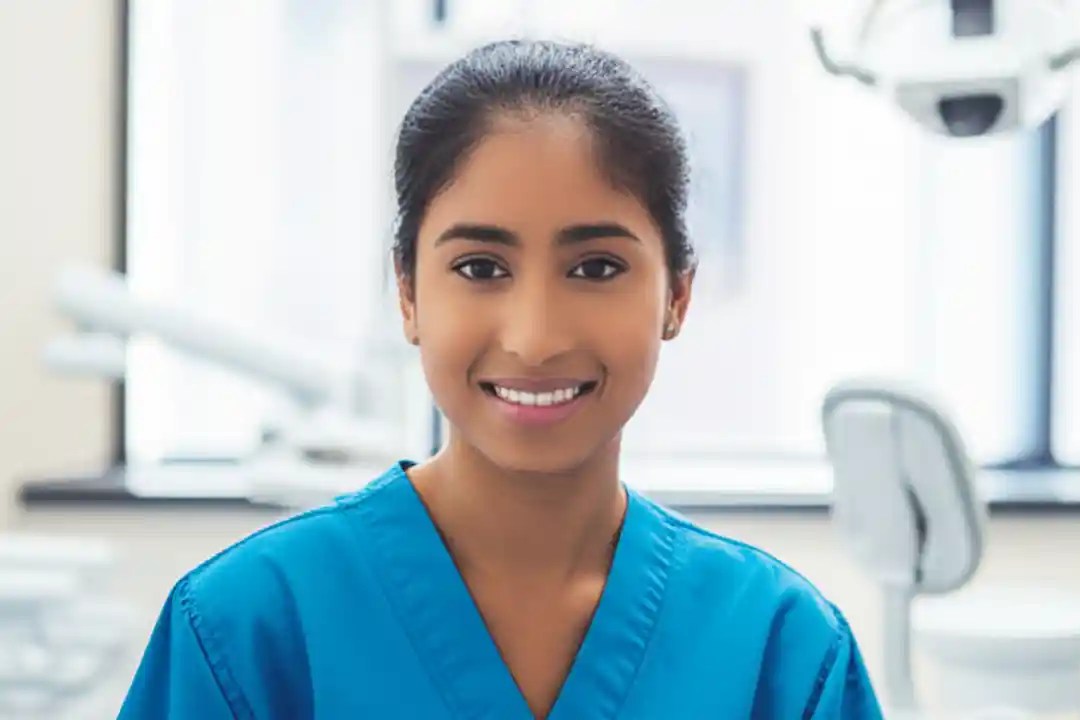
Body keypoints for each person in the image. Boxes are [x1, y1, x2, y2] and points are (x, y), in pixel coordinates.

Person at [118, 39, 883, 719]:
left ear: (676, 296)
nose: (536, 338)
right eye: (480, 268)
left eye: (597, 267)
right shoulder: (248, 632)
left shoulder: (777, 653)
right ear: (409, 293)